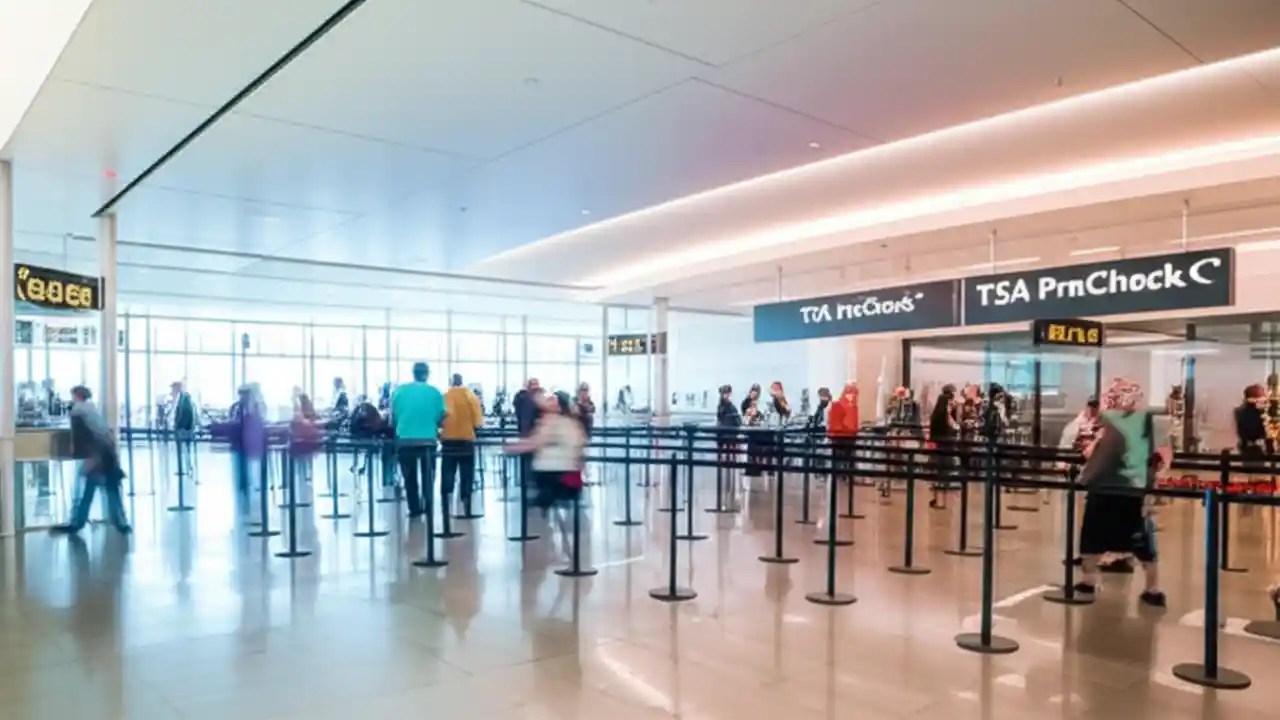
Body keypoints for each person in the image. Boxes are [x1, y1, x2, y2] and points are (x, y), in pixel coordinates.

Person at [1074, 378, 1165, 607]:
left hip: (1107, 487)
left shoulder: (1110, 421)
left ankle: (1088, 579)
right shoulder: (1148, 421)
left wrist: (1084, 478)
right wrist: (1151, 484)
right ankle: (1152, 588)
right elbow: (1157, 457)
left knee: (1093, 535)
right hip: (1135, 488)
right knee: (1141, 538)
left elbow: (1102, 455)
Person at [514, 390, 587, 559]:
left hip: (555, 472)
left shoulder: (558, 423)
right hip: (554, 470)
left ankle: (546, 499)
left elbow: (539, 442)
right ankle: (546, 500)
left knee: (547, 494)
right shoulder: (559, 422)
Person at [52, 386, 130, 535]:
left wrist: (91, 458)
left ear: (78, 396)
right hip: (106, 454)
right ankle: (120, 522)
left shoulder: (78, 412)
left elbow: (84, 438)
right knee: (110, 490)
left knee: (88, 491)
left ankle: (78, 522)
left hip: (96, 456)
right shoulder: (93, 411)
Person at [391, 362, 446, 518]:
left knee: (409, 477)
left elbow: (393, 417)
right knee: (428, 475)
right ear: (427, 374)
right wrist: (435, 429)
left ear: (413, 373)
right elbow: (442, 416)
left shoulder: (399, 391)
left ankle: (414, 508)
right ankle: (428, 505)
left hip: (405, 440)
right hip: (428, 440)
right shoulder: (435, 392)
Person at [441, 373, 484, 513]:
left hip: (448, 439)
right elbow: (477, 421)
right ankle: (466, 497)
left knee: (448, 470)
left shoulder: (445, 396)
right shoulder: (470, 396)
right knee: (467, 471)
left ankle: (446, 496)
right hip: (466, 438)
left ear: (451, 382)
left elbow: (440, 416)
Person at [928, 384, 960, 509]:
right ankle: (941, 501)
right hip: (946, 447)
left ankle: (938, 500)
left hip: (938, 447)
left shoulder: (936, 414)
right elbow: (955, 427)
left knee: (938, 475)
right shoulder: (946, 415)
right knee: (944, 475)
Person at [828, 383, 860, 483]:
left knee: (846, 457)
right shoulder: (840, 405)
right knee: (842, 457)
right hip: (841, 436)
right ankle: (842, 474)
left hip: (847, 436)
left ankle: (845, 474)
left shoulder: (852, 406)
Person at [170, 380, 197, 474]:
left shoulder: (183, 398)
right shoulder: (182, 397)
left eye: (173, 388)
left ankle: (185, 468)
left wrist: (179, 425)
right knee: (186, 449)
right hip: (185, 428)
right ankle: (187, 467)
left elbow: (185, 412)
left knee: (183, 449)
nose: (172, 390)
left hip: (183, 428)